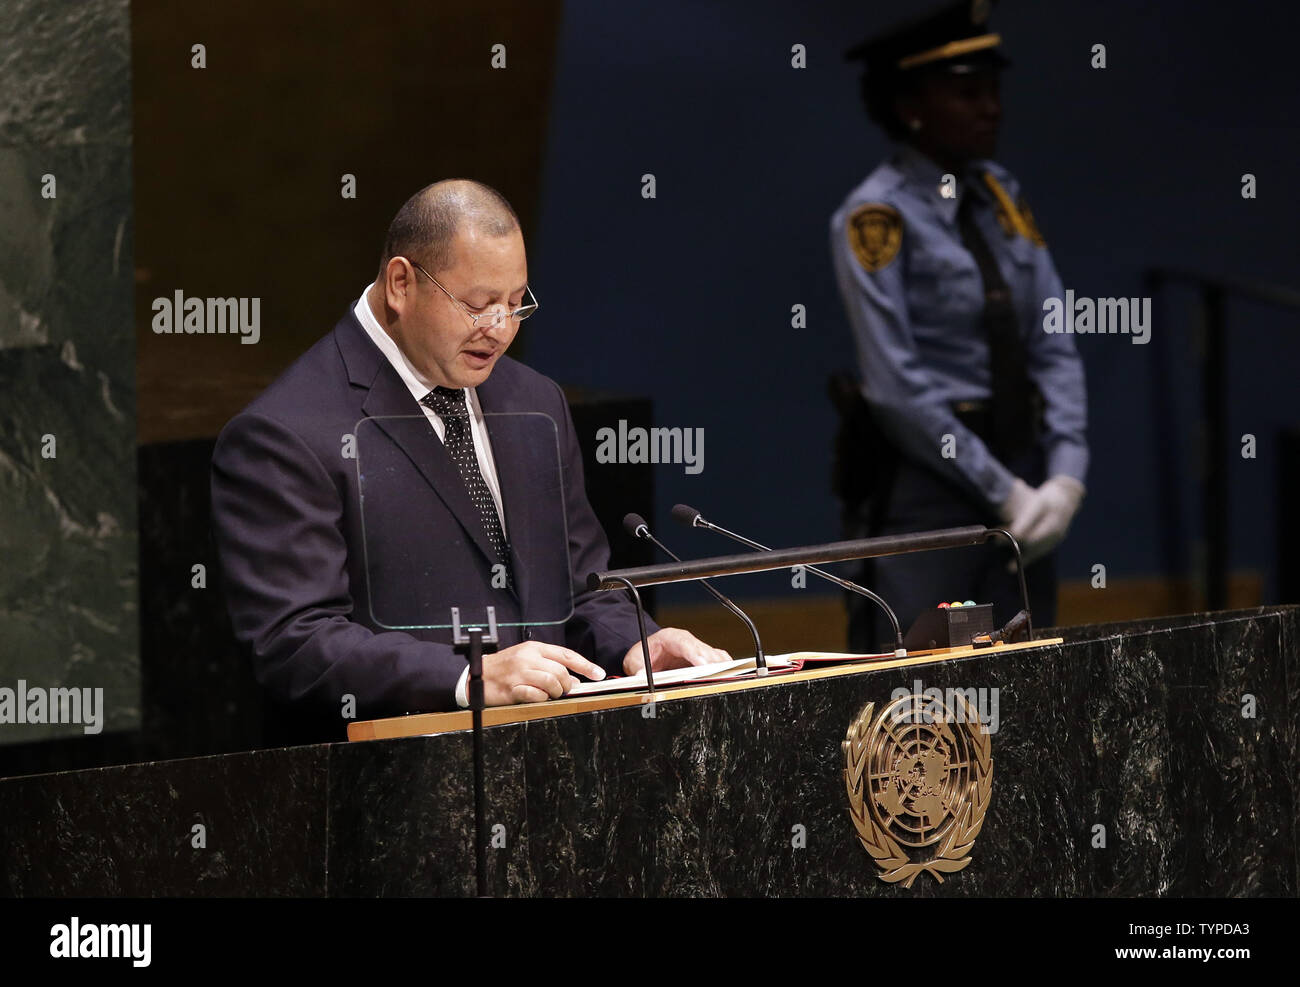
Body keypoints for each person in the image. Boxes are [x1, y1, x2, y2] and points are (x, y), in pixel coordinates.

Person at [211, 179, 727, 735]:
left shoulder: (535, 401)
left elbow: (578, 587)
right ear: (401, 284)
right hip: (389, 789)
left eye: (515, 303)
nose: (501, 330)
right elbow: (295, 643)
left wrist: (638, 642)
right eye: (478, 305)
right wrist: (467, 680)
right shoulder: (286, 433)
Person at [829, 1, 1088, 650]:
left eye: (994, 91)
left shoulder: (1002, 196)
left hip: (1023, 462)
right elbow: (898, 388)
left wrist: (1065, 473)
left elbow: (1052, 337)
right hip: (932, 480)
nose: (991, 108)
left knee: (1023, 677)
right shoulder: (874, 216)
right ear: (912, 107)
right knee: (921, 688)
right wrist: (1007, 498)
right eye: (968, 94)